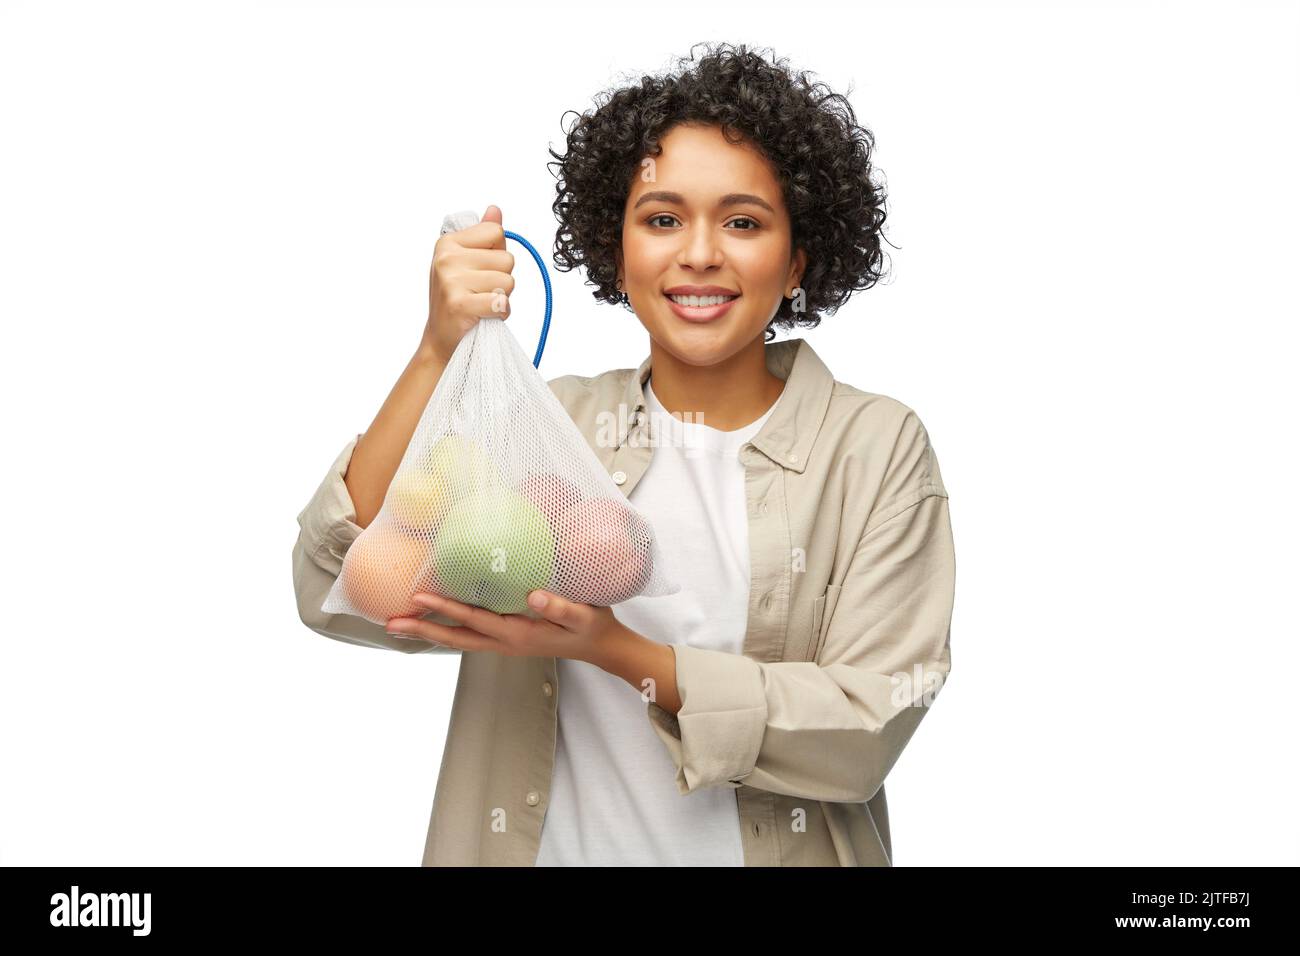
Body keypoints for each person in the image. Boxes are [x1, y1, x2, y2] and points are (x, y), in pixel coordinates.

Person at [291, 41, 956, 866]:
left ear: (798, 261)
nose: (700, 253)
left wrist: (610, 649)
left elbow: (868, 724)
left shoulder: (873, 449)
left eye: (743, 222)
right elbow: (336, 588)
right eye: (662, 218)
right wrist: (437, 351)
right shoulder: (549, 427)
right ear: (619, 250)